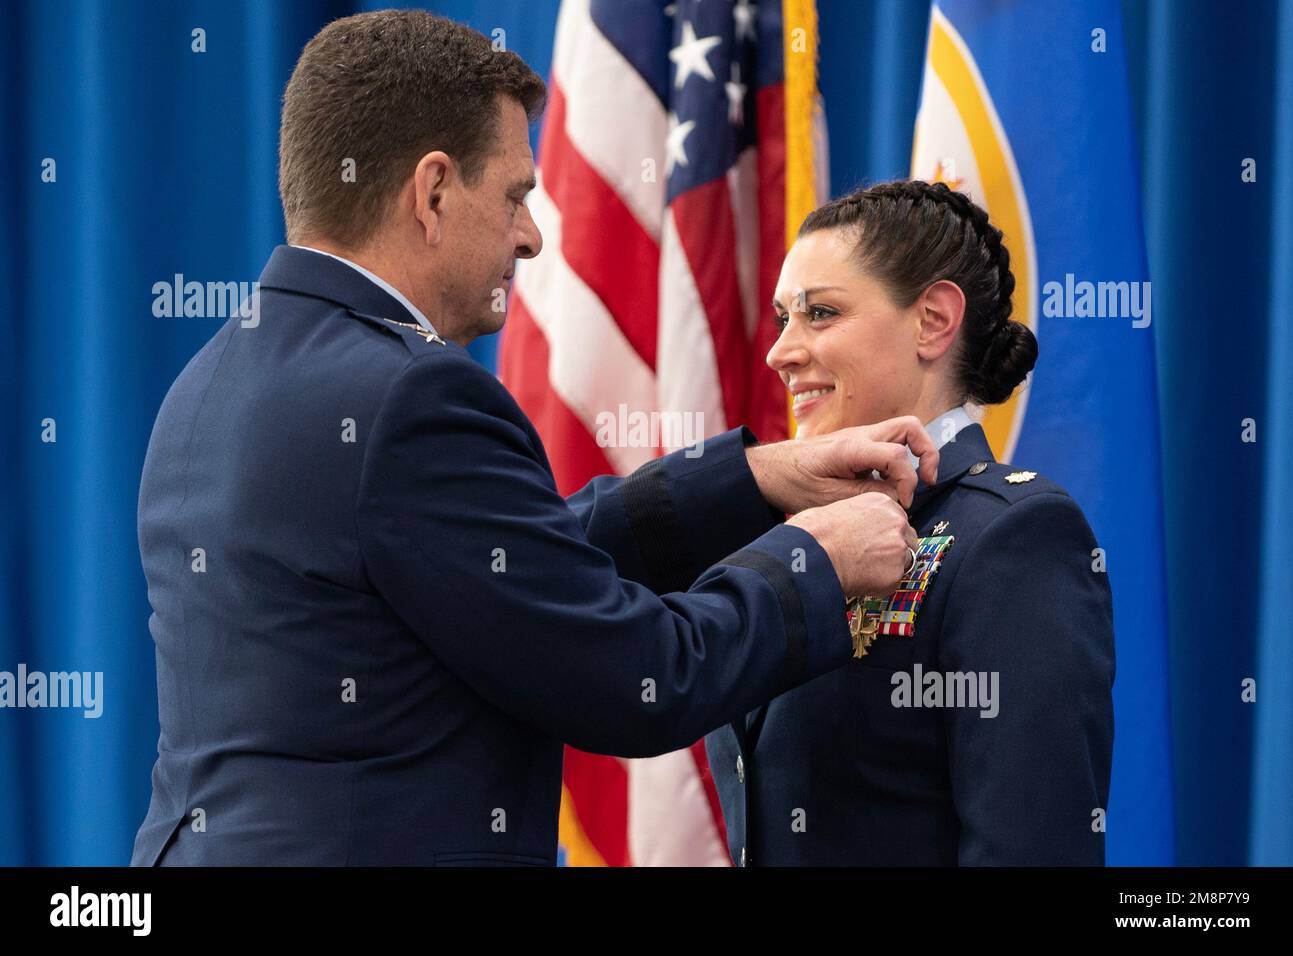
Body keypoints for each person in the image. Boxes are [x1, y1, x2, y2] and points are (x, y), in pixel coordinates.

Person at [129, 11, 938, 866]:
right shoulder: (411, 394)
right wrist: (812, 557)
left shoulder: (208, 383)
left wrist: (754, 477)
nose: (532, 235)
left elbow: (505, 563)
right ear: (433, 192)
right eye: (516, 194)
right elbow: (640, 675)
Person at [705, 180, 1116, 866]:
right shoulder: (786, 534)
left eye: (822, 313)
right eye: (783, 319)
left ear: (932, 320)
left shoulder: (1014, 538)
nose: (781, 351)